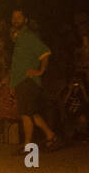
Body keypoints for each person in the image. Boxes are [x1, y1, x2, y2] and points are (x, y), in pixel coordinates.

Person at [9, 9, 59, 150]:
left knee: (26, 114)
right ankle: (50, 135)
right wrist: (12, 84)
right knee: (31, 112)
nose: (15, 19)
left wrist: (40, 71)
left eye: (19, 17)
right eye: (14, 17)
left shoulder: (28, 36)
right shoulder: (19, 38)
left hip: (28, 80)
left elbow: (45, 53)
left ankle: (28, 145)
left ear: (25, 20)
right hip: (20, 81)